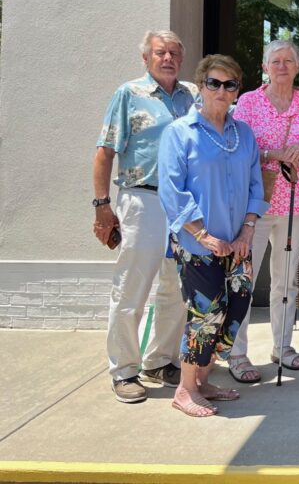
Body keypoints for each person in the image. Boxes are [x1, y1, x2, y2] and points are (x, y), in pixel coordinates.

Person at [158, 54, 266, 417]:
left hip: (237, 243)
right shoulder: (180, 133)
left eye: (230, 84)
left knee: (234, 309)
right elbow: (172, 192)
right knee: (205, 315)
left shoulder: (244, 133)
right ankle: (185, 390)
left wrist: (248, 229)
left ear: (238, 90)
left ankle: (203, 380)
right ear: (201, 86)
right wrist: (202, 234)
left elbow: (255, 186)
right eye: (214, 83)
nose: (221, 90)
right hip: (197, 244)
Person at [93, 30, 196, 404]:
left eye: (173, 52)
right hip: (142, 199)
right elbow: (105, 151)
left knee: (176, 288)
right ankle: (124, 370)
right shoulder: (129, 94)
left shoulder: (192, 95)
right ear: (146, 58)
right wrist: (102, 205)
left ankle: (159, 360)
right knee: (132, 288)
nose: (167, 58)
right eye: (159, 52)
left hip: (182, 205)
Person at [229, 40, 299, 381]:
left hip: (295, 205)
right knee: (245, 279)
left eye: (289, 61)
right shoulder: (248, 103)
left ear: (298, 67)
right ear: (265, 67)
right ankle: (237, 353)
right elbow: (236, 148)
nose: (282, 66)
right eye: (276, 61)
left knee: (286, 281)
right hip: (255, 204)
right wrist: (273, 155)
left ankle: (282, 347)